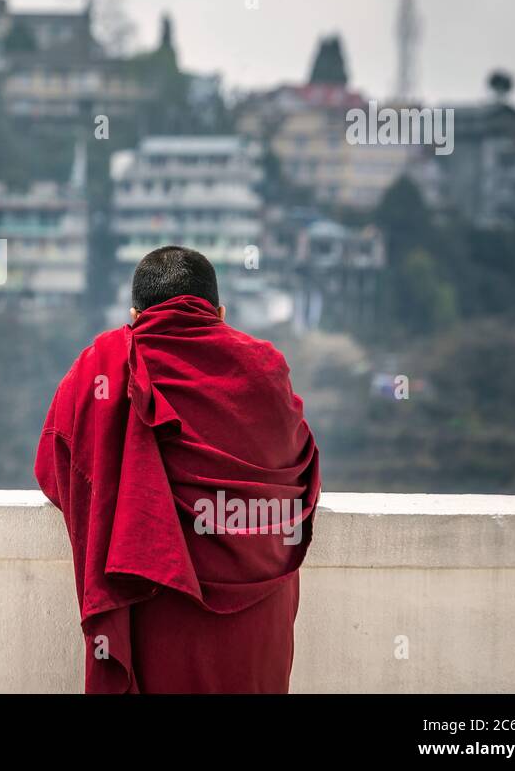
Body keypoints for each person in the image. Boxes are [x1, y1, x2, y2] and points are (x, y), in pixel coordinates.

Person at [34, 245, 320, 693]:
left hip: (157, 610)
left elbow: (57, 469)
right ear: (219, 313)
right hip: (259, 621)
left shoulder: (103, 367)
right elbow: (297, 465)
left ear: (134, 315)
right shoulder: (265, 370)